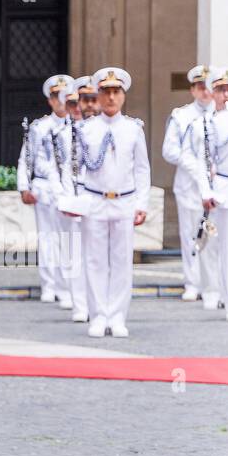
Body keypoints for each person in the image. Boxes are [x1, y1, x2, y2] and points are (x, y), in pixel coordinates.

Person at [72, 67, 149, 338]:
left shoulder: (133, 129)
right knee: (94, 261)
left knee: (120, 260)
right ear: (99, 95)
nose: (111, 98)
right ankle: (98, 314)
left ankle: (117, 315)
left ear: (123, 96)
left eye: (116, 92)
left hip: (124, 200)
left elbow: (141, 169)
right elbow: (76, 168)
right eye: (106, 92)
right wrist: (76, 201)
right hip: (95, 199)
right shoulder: (86, 129)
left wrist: (142, 203)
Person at [18, 74, 76, 309]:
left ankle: (66, 287)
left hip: (68, 189)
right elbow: (26, 157)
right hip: (44, 187)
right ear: (50, 100)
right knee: (47, 239)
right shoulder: (39, 127)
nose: (60, 100)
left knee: (68, 240)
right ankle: (48, 285)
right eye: (55, 96)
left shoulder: (77, 126)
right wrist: (24, 186)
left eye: (64, 94)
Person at [162, 65, 218, 303]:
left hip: (218, 185)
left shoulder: (223, 114)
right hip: (189, 186)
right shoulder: (181, 116)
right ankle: (193, 283)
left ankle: (215, 285)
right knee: (191, 235)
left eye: (208, 87)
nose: (205, 92)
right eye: (199, 87)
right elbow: (169, 150)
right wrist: (194, 165)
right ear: (193, 90)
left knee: (215, 236)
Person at [179, 67, 228, 320]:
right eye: (221, 89)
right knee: (217, 246)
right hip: (220, 190)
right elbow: (196, 159)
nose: (226, 94)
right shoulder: (203, 124)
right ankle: (218, 293)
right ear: (213, 93)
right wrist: (205, 189)